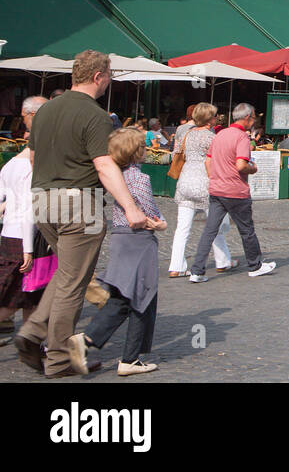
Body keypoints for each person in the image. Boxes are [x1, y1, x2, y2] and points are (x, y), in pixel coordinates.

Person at [18, 50, 155, 378]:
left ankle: (34, 330)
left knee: (67, 273)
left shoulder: (46, 109)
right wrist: (131, 207)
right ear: (98, 77)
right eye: (109, 75)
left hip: (41, 199)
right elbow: (104, 164)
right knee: (73, 283)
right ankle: (60, 359)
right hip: (80, 201)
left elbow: (34, 158)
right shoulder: (96, 115)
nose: (109, 81)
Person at [74, 128, 166, 376]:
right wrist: (162, 224)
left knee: (123, 296)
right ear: (137, 151)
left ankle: (120, 353)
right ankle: (124, 356)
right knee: (141, 296)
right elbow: (151, 213)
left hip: (120, 237)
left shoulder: (113, 175)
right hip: (138, 240)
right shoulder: (139, 179)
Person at [188, 102, 276, 282]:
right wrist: (254, 168)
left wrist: (216, 178)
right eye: (253, 118)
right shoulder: (241, 137)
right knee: (247, 230)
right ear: (247, 118)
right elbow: (241, 164)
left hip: (217, 190)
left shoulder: (220, 134)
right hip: (235, 191)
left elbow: (208, 161)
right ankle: (255, 265)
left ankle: (197, 271)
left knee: (209, 231)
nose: (253, 121)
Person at [168, 103, 234, 278]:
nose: (216, 118)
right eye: (214, 116)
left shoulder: (187, 134)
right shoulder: (211, 138)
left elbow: (176, 152)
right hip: (204, 181)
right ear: (209, 119)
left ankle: (176, 266)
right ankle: (222, 261)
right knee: (215, 224)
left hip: (186, 180)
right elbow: (220, 159)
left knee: (182, 227)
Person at [0, 96, 45, 328]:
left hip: (12, 233)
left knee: (30, 298)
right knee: (12, 299)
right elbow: (29, 209)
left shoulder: (12, 164)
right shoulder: (30, 166)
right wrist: (28, 249)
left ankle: (35, 348)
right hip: (24, 238)